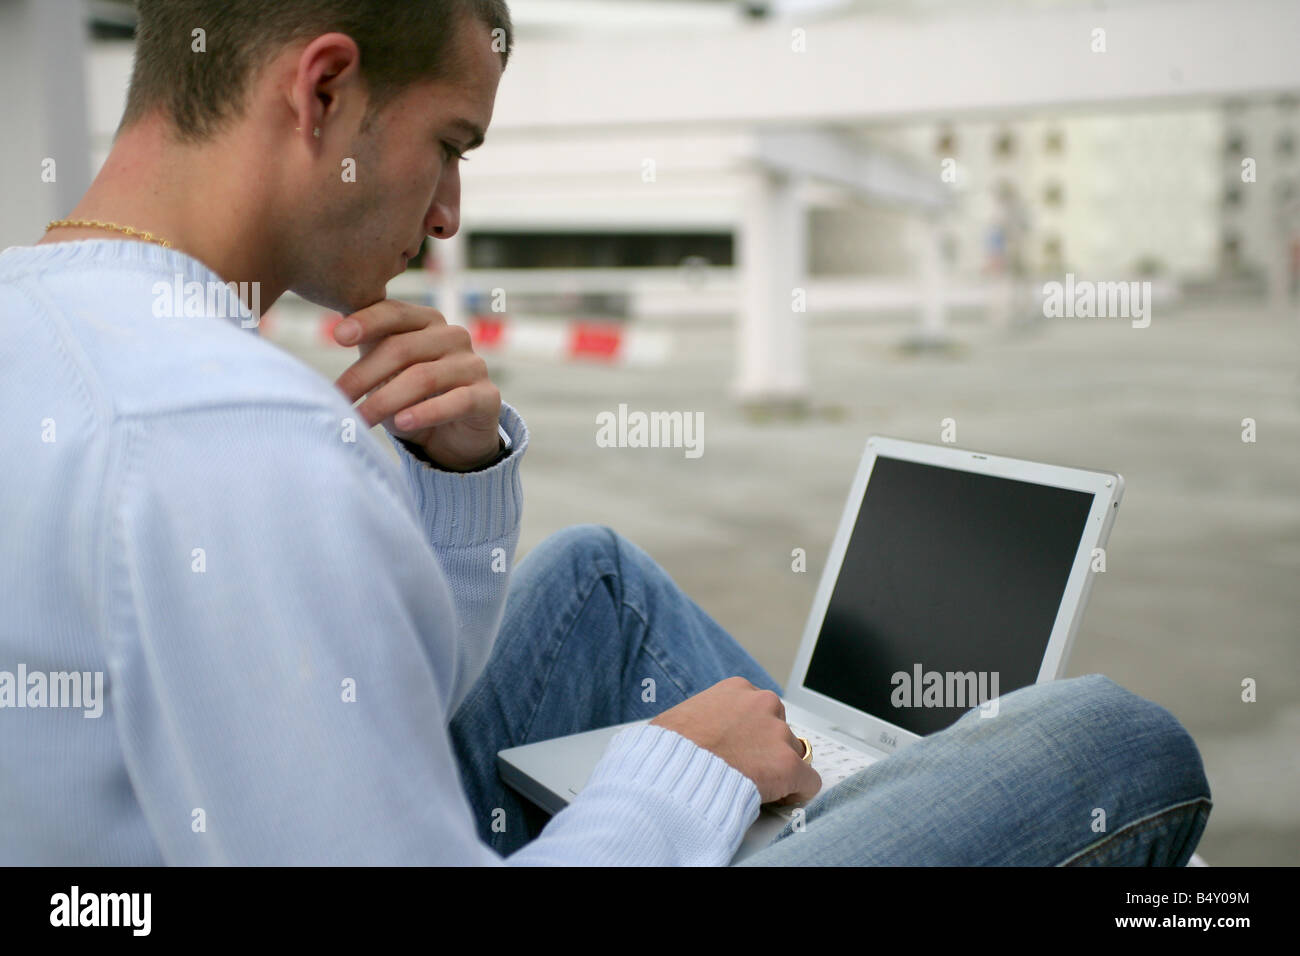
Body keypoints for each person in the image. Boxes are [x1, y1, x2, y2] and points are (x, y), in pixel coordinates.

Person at [0, 0, 1210, 866]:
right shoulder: (238, 438)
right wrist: (686, 771)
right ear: (323, 91)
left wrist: (452, 478)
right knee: (1113, 744)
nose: (448, 211)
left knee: (597, 581)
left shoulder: (40, 319)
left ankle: (856, 798)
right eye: (450, 145)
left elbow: (360, 730)